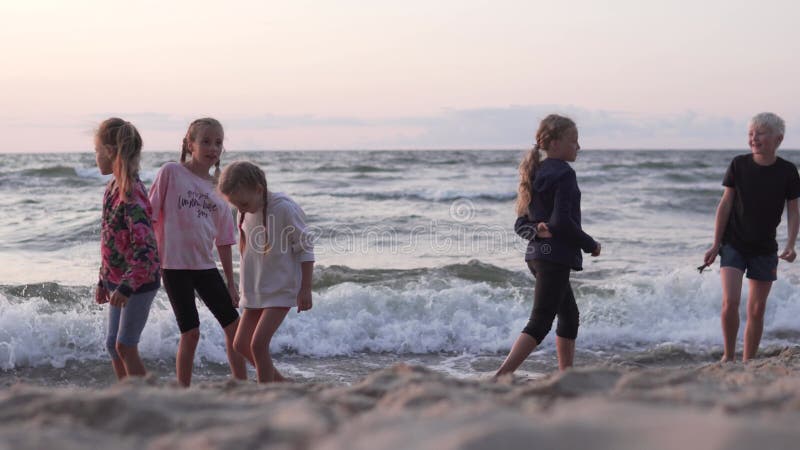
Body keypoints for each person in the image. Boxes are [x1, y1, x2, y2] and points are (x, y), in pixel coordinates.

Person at [495, 114, 600, 377]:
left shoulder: (535, 172)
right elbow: (562, 222)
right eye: (574, 141)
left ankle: (566, 375)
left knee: (569, 315)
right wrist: (590, 244)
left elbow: (520, 223)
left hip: (536, 256)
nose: (579, 146)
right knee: (541, 322)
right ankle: (501, 376)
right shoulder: (564, 173)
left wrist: (536, 230)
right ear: (553, 144)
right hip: (554, 258)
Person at [149, 118, 246, 386]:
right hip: (174, 267)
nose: (212, 147)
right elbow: (149, 214)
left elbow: (225, 240)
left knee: (234, 328)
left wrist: (231, 282)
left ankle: (240, 385)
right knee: (191, 333)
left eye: (218, 142)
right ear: (190, 144)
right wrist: (145, 258)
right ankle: (183, 389)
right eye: (205, 141)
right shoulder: (171, 172)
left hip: (205, 267)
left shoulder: (220, 190)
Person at [703, 112, 799, 363]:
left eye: (760, 133)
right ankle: (728, 356)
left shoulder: (788, 171)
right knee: (730, 301)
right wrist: (715, 244)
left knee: (756, 309)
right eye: (750, 134)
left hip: (765, 248)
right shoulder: (739, 164)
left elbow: (793, 209)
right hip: (733, 243)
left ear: (778, 139)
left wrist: (790, 244)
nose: (754, 138)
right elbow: (725, 204)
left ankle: (748, 362)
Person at [218, 161, 315, 383]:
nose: (240, 209)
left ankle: (266, 394)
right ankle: (282, 384)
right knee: (241, 345)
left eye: (242, 203)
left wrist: (305, 289)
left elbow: (306, 247)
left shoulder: (284, 208)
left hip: (280, 287)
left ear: (259, 190)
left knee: (258, 345)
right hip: (255, 289)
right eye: (235, 206)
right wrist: (238, 288)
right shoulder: (245, 211)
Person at [94, 118, 160, 380]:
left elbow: (147, 250)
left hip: (138, 282)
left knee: (125, 344)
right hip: (118, 281)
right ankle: (128, 393)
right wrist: (103, 279)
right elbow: (109, 239)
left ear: (110, 152)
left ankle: (145, 396)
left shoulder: (132, 193)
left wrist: (126, 286)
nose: (96, 157)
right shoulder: (113, 189)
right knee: (113, 345)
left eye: (97, 151)